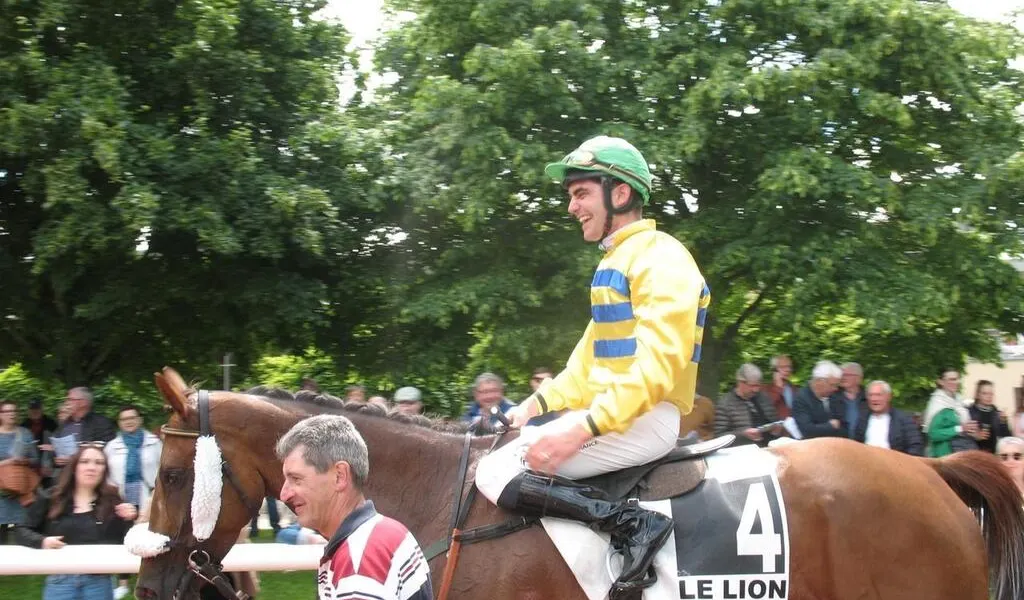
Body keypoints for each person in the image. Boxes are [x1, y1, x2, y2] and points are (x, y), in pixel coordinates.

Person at [475, 136, 710, 599]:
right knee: (506, 450)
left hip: (645, 418)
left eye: (580, 193)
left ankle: (636, 527)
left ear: (619, 193)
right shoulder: (617, 261)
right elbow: (585, 367)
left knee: (494, 471)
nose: (571, 206)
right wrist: (528, 409)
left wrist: (580, 428)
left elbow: (658, 365)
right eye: (570, 195)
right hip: (620, 414)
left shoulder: (662, 256)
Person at [276, 415, 432, 600]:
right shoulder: (383, 532)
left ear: (340, 476)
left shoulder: (359, 558)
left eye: (296, 479)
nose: (284, 494)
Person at [16, 443, 137, 600]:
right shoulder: (51, 497)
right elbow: (22, 530)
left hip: (99, 583)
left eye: (99, 463)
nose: (92, 467)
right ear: (74, 467)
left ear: (104, 470)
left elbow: (125, 541)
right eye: (85, 461)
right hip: (60, 583)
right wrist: (42, 541)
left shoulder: (113, 500)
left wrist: (128, 520)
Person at [105, 405, 163, 599]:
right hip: (120, 501)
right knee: (122, 538)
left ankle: (148, 580)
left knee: (148, 539)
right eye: (124, 419)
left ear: (140, 419)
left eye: (132, 417)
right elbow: (106, 476)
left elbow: (163, 471)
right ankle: (122, 583)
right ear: (119, 423)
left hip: (148, 498)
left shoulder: (154, 443)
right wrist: (115, 499)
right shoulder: (112, 446)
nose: (128, 421)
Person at [0, 400, 40, 544]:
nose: (11, 414)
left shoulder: (25, 434)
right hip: (1, 491)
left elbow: (35, 459)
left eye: (14, 411)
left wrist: (23, 461)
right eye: (7, 411)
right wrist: (7, 462)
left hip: (21, 491)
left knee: (22, 532)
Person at [713, 364, 782, 447]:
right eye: (752, 385)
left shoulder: (764, 398)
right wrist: (742, 434)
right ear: (740, 382)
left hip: (769, 447)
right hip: (742, 452)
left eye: (758, 385)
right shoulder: (725, 403)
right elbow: (718, 437)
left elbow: (775, 422)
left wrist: (776, 431)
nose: (756, 390)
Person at [853, 381, 923, 456]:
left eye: (878, 395)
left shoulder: (903, 419)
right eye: (871, 395)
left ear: (889, 397)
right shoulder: (862, 419)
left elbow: (915, 446)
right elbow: (856, 445)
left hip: (895, 464)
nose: (874, 399)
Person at [923, 368, 979, 457]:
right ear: (941, 382)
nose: (956, 382)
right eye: (951, 379)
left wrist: (975, 433)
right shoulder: (937, 404)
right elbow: (933, 434)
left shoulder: (959, 400)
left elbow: (964, 429)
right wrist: (960, 429)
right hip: (944, 455)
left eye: (957, 379)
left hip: (962, 451)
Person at [791, 361, 847, 439]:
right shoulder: (801, 399)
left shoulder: (834, 397)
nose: (836, 389)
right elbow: (807, 431)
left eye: (837, 385)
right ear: (819, 381)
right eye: (832, 385)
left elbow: (843, 426)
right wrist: (830, 426)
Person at [967, 380, 1011, 454]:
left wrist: (1004, 422)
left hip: (993, 456)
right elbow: (962, 437)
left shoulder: (997, 413)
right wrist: (976, 436)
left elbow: (1007, 438)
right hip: (974, 456)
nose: (989, 396)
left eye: (991, 394)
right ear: (977, 395)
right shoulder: (969, 412)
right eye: (985, 393)